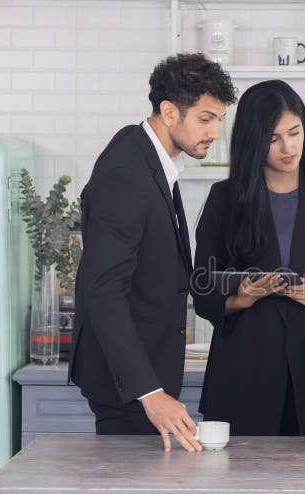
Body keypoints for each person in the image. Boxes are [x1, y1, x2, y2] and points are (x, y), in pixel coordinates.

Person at [71, 53, 237, 451]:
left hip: (142, 378)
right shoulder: (126, 172)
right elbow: (103, 290)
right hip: (127, 388)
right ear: (168, 111)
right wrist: (149, 393)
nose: (214, 132)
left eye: (218, 119)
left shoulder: (150, 160)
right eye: (205, 118)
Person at [191, 80, 305, 436]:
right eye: (273, 138)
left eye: (295, 132)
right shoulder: (225, 199)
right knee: (239, 484)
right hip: (243, 372)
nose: (288, 147)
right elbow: (203, 283)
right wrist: (241, 298)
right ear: (253, 142)